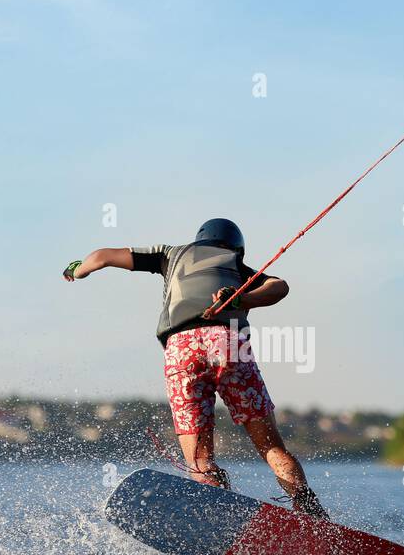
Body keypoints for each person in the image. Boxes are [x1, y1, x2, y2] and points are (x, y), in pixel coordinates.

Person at [63, 218, 328, 519]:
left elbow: (103, 256)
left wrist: (77, 269)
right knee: (272, 448)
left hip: (182, 349)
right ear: (237, 248)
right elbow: (280, 287)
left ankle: (224, 516)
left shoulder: (169, 254)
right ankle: (311, 512)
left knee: (200, 460)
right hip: (229, 343)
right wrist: (242, 297)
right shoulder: (239, 270)